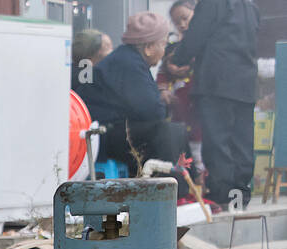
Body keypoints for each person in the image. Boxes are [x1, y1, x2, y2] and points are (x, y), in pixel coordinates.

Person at [74, 11, 189, 178]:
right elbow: (152, 111)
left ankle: (182, 184)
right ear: (149, 48)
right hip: (100, 136)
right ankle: (171, 189)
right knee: (167, 131)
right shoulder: (129, 64)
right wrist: (162, 103)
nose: (164, 51)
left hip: (113, 130)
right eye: (163, 45)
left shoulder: (129, 59)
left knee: (172, 129)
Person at [170, 0, 261, 209]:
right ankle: (240, 196)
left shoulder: (212, 3)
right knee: (242, 141)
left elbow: (196, 36)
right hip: (245, 83)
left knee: (218, 141)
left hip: (216, 82)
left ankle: (222, 195)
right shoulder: (250, 6)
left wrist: (178, 57)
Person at [158, 0, 202, 174]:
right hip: (178, 110)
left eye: (185, 18)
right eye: (177, 22)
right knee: (183, 151)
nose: (182, 25)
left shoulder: (205, 46)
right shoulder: (171, 49)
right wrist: (163, 91)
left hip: (199, 110)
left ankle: (203, 185)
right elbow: (161, 74)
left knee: (201, 151)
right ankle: (188, 187)